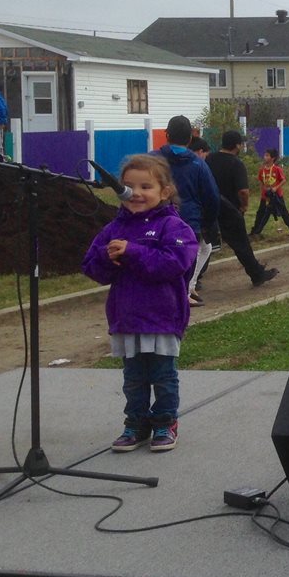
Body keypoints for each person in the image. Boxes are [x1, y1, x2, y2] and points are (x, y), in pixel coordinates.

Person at [82, 154, 196, 453]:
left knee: (163, 375)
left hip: (162, 318)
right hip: (127, 319)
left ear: (165, 192)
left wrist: (133, 252)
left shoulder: (174, 227)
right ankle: (136, 423)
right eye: (129, 186)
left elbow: (174, 264)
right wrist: (106, 258)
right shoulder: (113, 229)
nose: (136, 193)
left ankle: (165, 422)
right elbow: (92, 268)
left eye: (146, 186)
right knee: (133, 378)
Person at [154, 115, 218, 307]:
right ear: (190, 138)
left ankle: (160, 295)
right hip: (189, 223)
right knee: (186, 260)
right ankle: (182, 295)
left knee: (157, 257)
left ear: (166, 135)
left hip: (156, 220)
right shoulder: (199, 164)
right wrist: (207, 222)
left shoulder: (151, 160)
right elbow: (212, 197)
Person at [203, 130, 279, 286]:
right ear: (237, 145)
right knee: (241, 244)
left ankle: (194, 279)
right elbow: (243, 191)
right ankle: (257, 274)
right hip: (230, 210)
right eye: (241, 143)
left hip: (209, 208)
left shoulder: (209, 159)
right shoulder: (236, 163)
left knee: (205, 244)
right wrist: (244, 206)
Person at [250, 149, 289, 238]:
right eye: (265, 155)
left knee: (284, 212)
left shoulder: (277, 169)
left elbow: (283, 180)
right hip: (265, 196)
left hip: (276, 196)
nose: (265, 157)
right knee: (261, 213)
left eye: (267, 155)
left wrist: (276, 188)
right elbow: (261, 182)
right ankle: (256, 231)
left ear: (273, 158)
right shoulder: (262, 170)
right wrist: (263, 192)